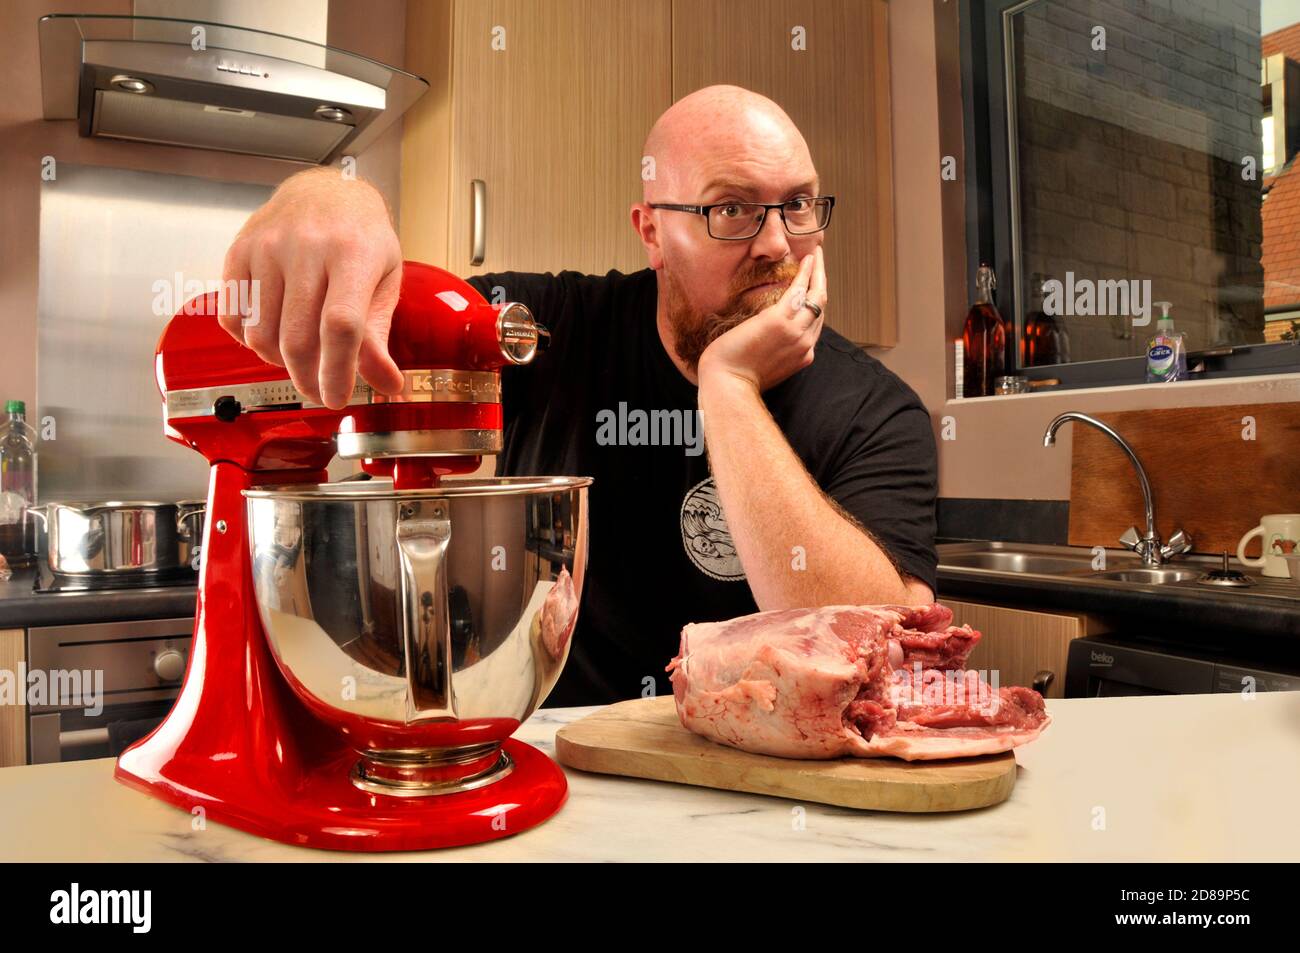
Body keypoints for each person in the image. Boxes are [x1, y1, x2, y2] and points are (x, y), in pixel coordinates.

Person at [218, 84, 938, 706]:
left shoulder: (879, 412)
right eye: (732, 210)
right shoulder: (547, 330)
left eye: (800, 204)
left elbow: (881, 656)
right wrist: (334, 198)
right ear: (652, 232)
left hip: (780, 790)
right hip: (561, 762)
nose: (780, 244)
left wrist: (731, 385)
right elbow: (388, 313)